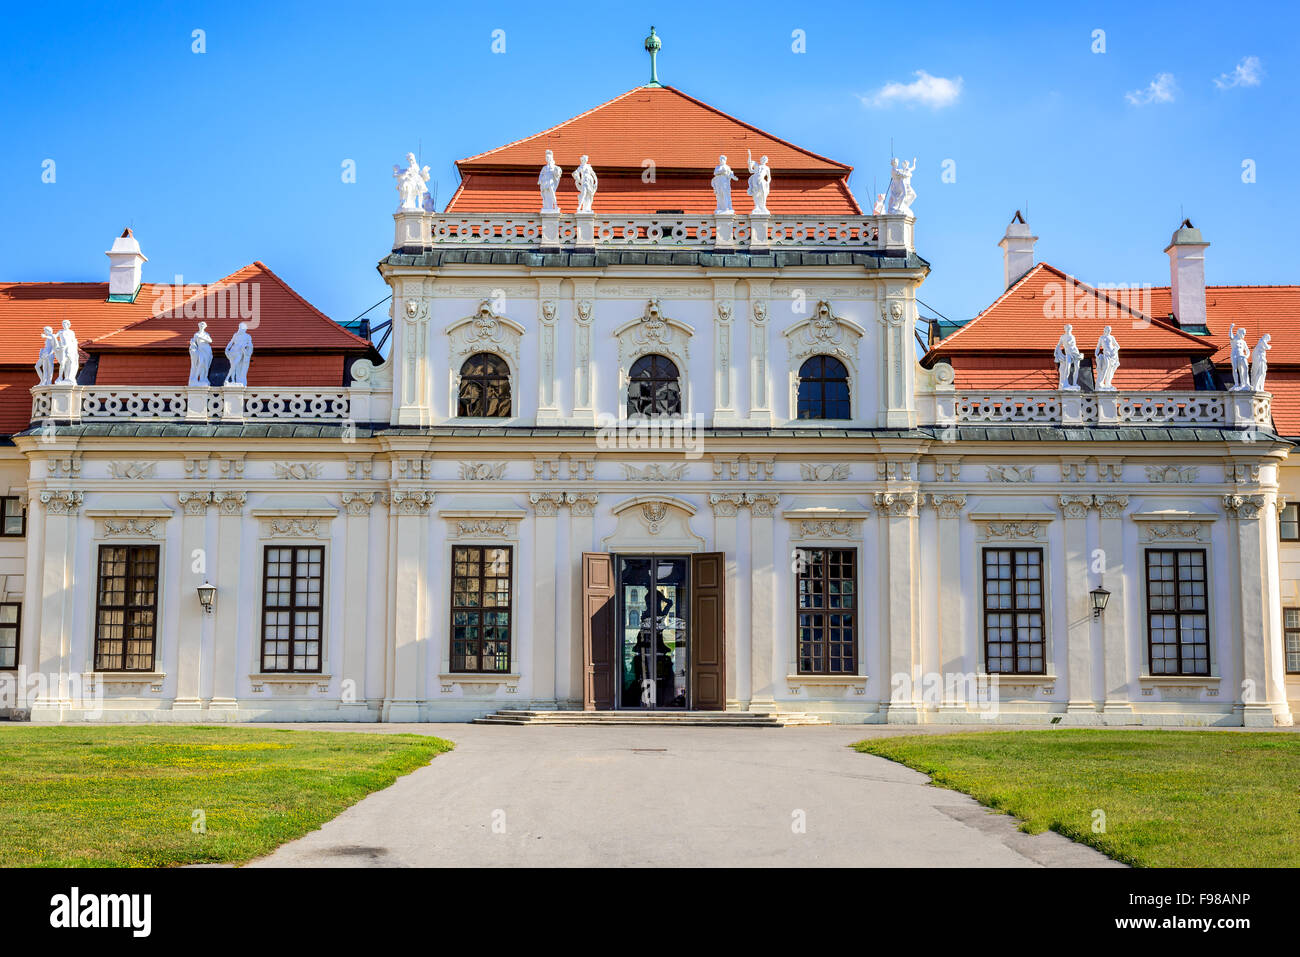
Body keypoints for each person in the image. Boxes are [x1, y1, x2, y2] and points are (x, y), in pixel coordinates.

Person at [224, 322, 254, 386]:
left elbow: (250, 345)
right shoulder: (236, 335)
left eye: (242, 328)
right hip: (232, 352)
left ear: (245, 329)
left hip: (240, 353)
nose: (240, 329)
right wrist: (227, 349)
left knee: (234, 365)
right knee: (233, 366)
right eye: (240, 327)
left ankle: (227, 378)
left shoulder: (247, 336)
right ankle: (233, 380)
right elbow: (231, 342)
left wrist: (246, 348)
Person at [1054, 325, 1083, 390]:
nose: (1068, 329)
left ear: (1071, 329)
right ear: (1064, 329)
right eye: (1067, 328)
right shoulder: (1063, 337)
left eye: (1069, 328)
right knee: (1068, 367)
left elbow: (1074, 345)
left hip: (1075, 352)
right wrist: (1055, 352)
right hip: (1068, 353)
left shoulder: (1072, 336)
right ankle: (1065, 382)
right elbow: (1058, 345)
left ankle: (1074, 383)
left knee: (1077, 368)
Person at [746, 150, 771, 214]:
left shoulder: (767, 168)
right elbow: (751, 170)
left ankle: (763, 206)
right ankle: (756, 206)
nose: (763, 160)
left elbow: (769, 177)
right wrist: (749, 156)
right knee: (756, 193)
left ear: (766, 161)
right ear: (761, 160)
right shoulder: (757, 166)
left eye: (765, 159)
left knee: (763, 193)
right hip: (755, 180)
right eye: (763, 159)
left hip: (762, 181)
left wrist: (768, 182)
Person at [188, 321, 213, 386]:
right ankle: (195, 378)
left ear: (205, 327)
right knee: (200, 362)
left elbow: (210, 341)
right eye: (201, 325)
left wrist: (201, 337)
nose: (202, 326)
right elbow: (194, 343)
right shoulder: (196, 334)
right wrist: (192, 344)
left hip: (207, 350)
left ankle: (204, 378)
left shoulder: (206, 334)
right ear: (199, 326)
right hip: (200, 350)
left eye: (203, 325)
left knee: (206, 365)